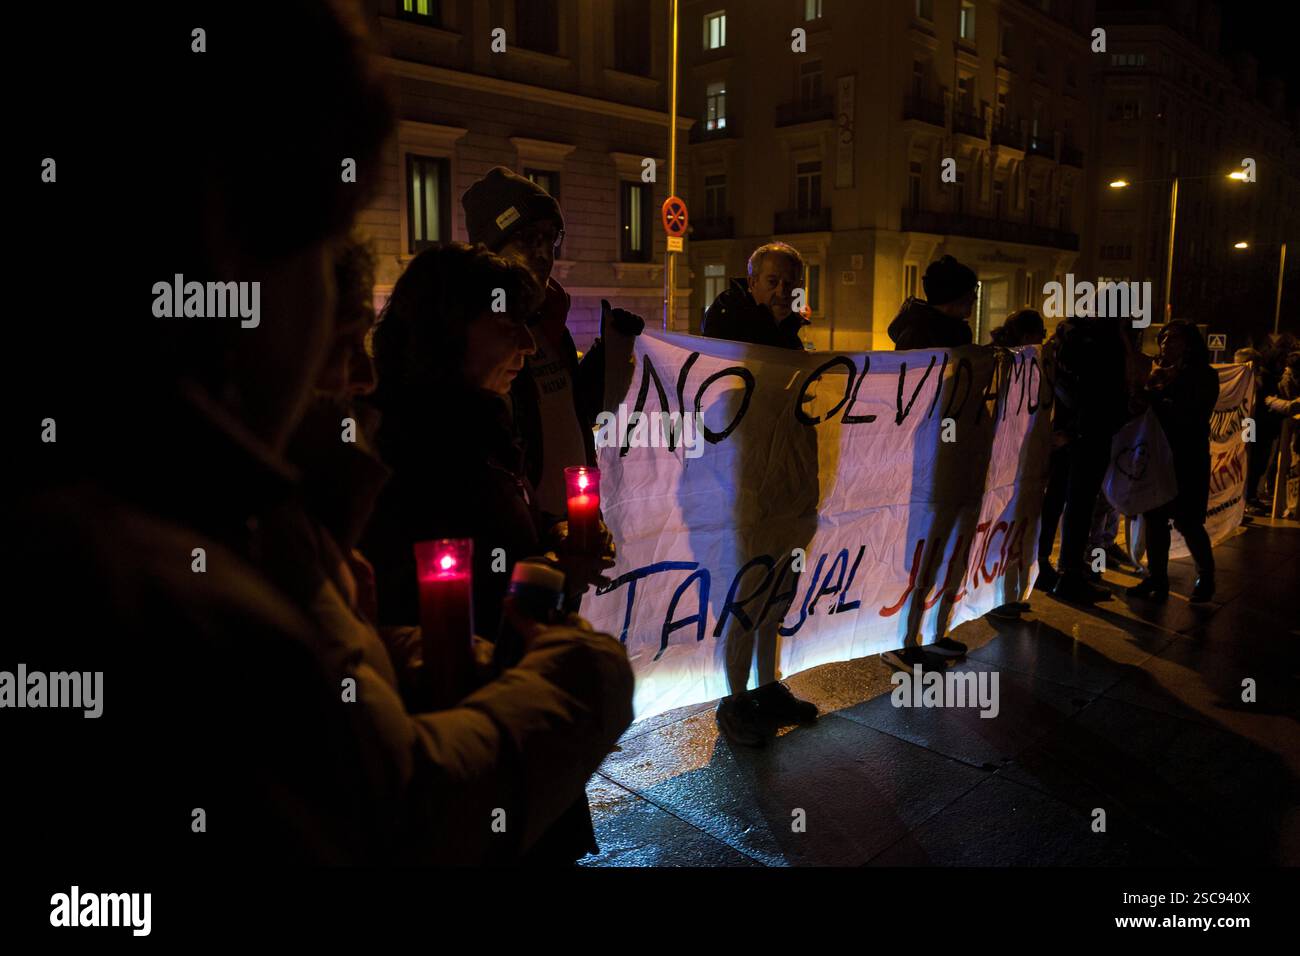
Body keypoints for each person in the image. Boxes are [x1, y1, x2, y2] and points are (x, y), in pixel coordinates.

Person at [10, 0, 632, 868]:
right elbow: (391, 812)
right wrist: (587, 679)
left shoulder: (235, 515)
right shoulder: (135, 576)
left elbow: (315, 706)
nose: (357, 371)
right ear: (226, 245)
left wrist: (394, 657)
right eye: (324, 245)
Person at [361, 241, 618, 862]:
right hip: (466, 743)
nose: (529, 347)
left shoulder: (479, 426)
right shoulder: (410, 447)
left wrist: (555, 544)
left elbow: (496, 552)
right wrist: (557, 569)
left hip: (506, 717)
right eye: (509, 324)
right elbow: (432, 596)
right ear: (448, 327)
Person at [461, 166, 644, 524]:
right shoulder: (478, 334)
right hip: (524, 534)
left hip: (569, 525)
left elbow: (578, 412)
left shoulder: (549, 322)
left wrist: (612, 352)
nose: (545, 253)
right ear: (489, 249)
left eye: (551, 237)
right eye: (529, 238)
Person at [1128, 321, 1220, 603]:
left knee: (1188, 521)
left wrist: (1152, 397)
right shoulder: (1159, 374)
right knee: (1155, 518)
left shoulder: (1202, 376)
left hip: (1187, 458)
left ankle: (1206, 576)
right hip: (1159, 456)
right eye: (1163, 337)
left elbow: (1188, 415)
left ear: (1189, 343)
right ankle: (1157, 578)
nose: (1166, 342)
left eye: (1174, 338)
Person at [1045, 313, 1131, 603]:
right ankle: (1070, 574)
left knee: (1057, 499)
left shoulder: (1066, 338)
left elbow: (1064, 386)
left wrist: (1066, 429)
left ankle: (1046, 565)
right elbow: (1103, 394)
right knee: (1081, 505)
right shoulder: (1106, 342)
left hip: (1066, 433)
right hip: (1089, 434)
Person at [702, 241, 811, 348]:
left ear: (799, 286)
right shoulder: (728, 319)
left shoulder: (790, 327)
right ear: (753, 283)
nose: (781, 292)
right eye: (772, 282)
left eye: (789, 283)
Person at [888, 255, 977, 349]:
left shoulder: (957, 330)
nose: (975, 297)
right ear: (953, 296)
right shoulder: (917, 334)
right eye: (970, 292)